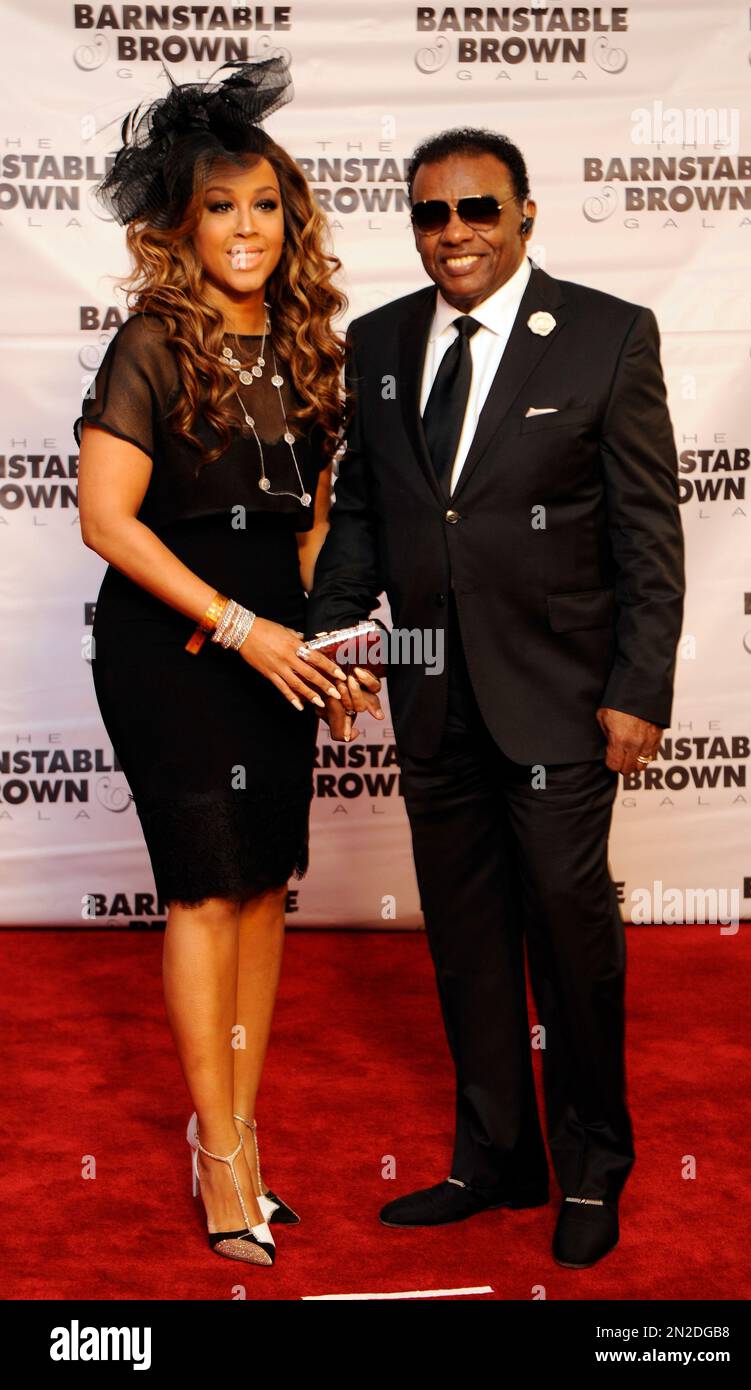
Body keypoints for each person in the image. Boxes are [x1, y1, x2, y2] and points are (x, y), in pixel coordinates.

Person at [304, 127, 685, 1269]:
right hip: (430, 692)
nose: (454, 233)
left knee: (571, 934)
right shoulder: (375, 343)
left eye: (477, 209)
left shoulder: (609, 335)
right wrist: (337, 635)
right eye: (432, 214)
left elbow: (645, 530)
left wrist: (640, 688)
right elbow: (366, 510)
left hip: (562, 697)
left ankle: (592, 1164)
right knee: (467, 939)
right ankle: (494, 1157)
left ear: (524, 213)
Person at [75, 59, 352, 1266]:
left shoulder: (309, 349)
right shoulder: (152, 343)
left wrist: (329, 645)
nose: (246, 229)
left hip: (281, 654)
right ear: (183, 228)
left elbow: (315, 526)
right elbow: (106, 521)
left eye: (265, 206)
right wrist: (240, 627)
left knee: (261, 889)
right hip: (175, 651)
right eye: (221, 207)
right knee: (201, 887)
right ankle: (224, 1157)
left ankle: (235, 1120)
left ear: (292, 221)